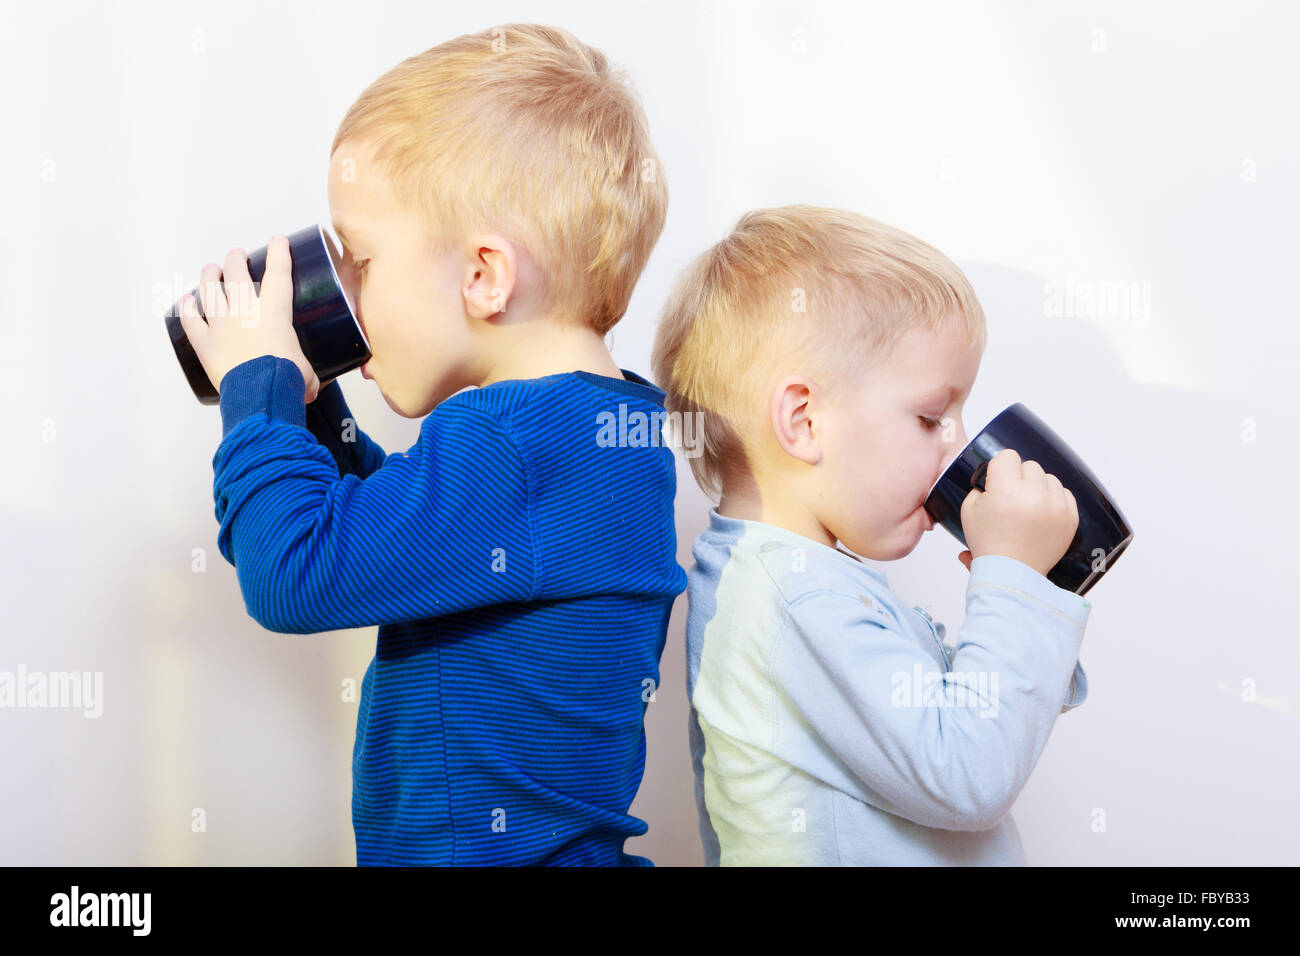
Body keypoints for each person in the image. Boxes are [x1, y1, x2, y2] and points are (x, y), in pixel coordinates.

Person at [181, 23, 684, 865]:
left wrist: (258, 386)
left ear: (484, 276)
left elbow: (295, 575)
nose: (344, 294)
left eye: (363, 263)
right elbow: (408, 536)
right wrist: (315, 412)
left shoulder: (514, 441)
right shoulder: (601, 430)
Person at [651, 205, 1089, 865]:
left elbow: (982, 715)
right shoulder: (790, 600)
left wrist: (1032, 580)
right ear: (803, 420)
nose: (957, 446)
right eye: (930, 416)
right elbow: (968, 772)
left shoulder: (802, 580)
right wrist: (1016, 589)